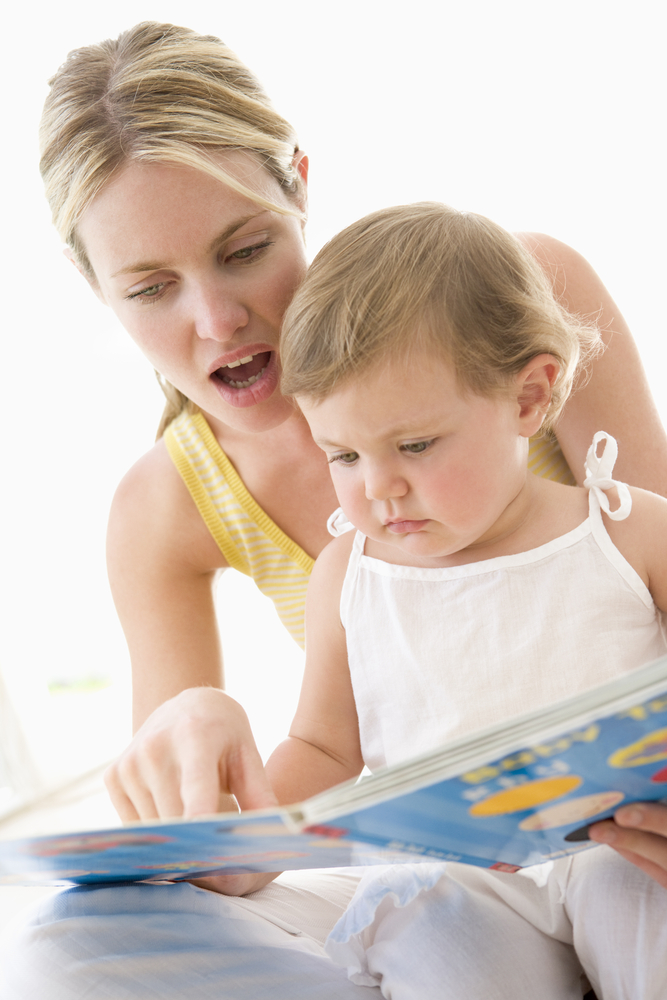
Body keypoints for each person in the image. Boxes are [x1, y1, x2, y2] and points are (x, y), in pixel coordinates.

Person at [3, 19, 666, 1000]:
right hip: (454, 880)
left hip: (624, 838)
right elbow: (249, 803)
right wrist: (204, 757)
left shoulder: (508, 293)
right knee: (68, 944)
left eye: (244, 249)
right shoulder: (169, 503)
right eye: (149, 286)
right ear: (93, 286)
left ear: (298, 185)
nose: (215, 320)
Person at [270, 201, 667, 997]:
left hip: (619, 849)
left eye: (414, 444)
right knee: (430, 934)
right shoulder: (348, 575)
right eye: (342, 453)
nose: (377, 488)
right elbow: (321, 747)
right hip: (454, 873)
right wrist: (242, 833)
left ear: (528, 398)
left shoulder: (628, 531)